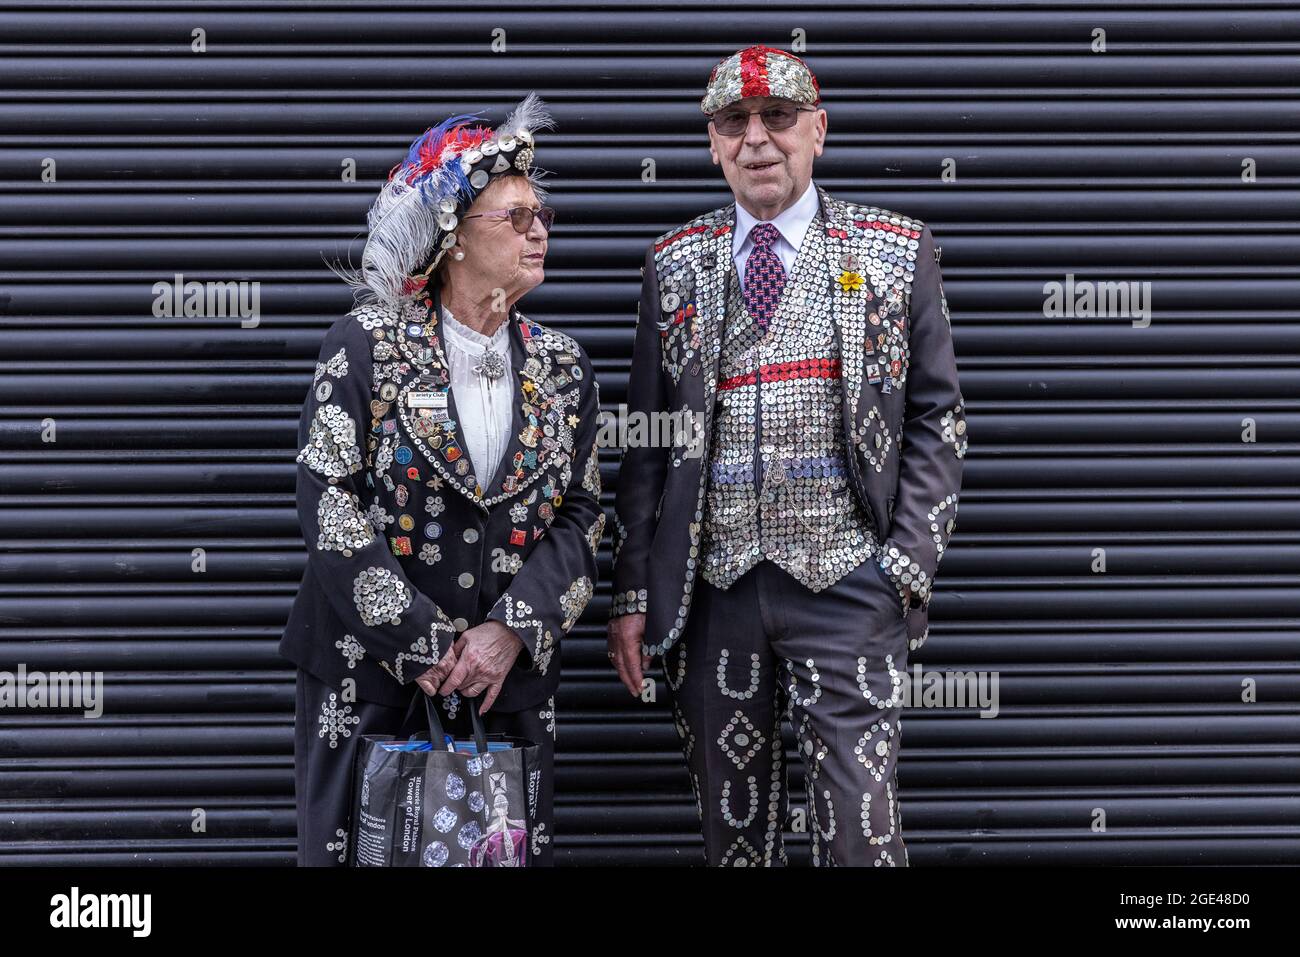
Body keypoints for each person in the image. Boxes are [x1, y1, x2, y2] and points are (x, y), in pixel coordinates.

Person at [606, 46, 967, 865]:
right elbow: (647, 445)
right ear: (711, 143)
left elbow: (938, 419)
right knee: (733, 838)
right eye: (734, 122)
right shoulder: (673, 266)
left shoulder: (895, 251)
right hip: (715, 594)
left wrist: (904, 566)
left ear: (819, 131)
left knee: (859, 830)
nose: (757, 140)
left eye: (778, 118)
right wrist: (633, 589)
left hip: (847, 585)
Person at [280, 93, 603, 866]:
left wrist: (512, 631)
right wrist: (423, 638)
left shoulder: (564, 365)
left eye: (542, 215)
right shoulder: (364, 343)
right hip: (370, 682)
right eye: (515, 217)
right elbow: (328, 499)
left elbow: (584, 516)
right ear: (453, 238)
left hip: (506, 690)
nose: (539, 231)